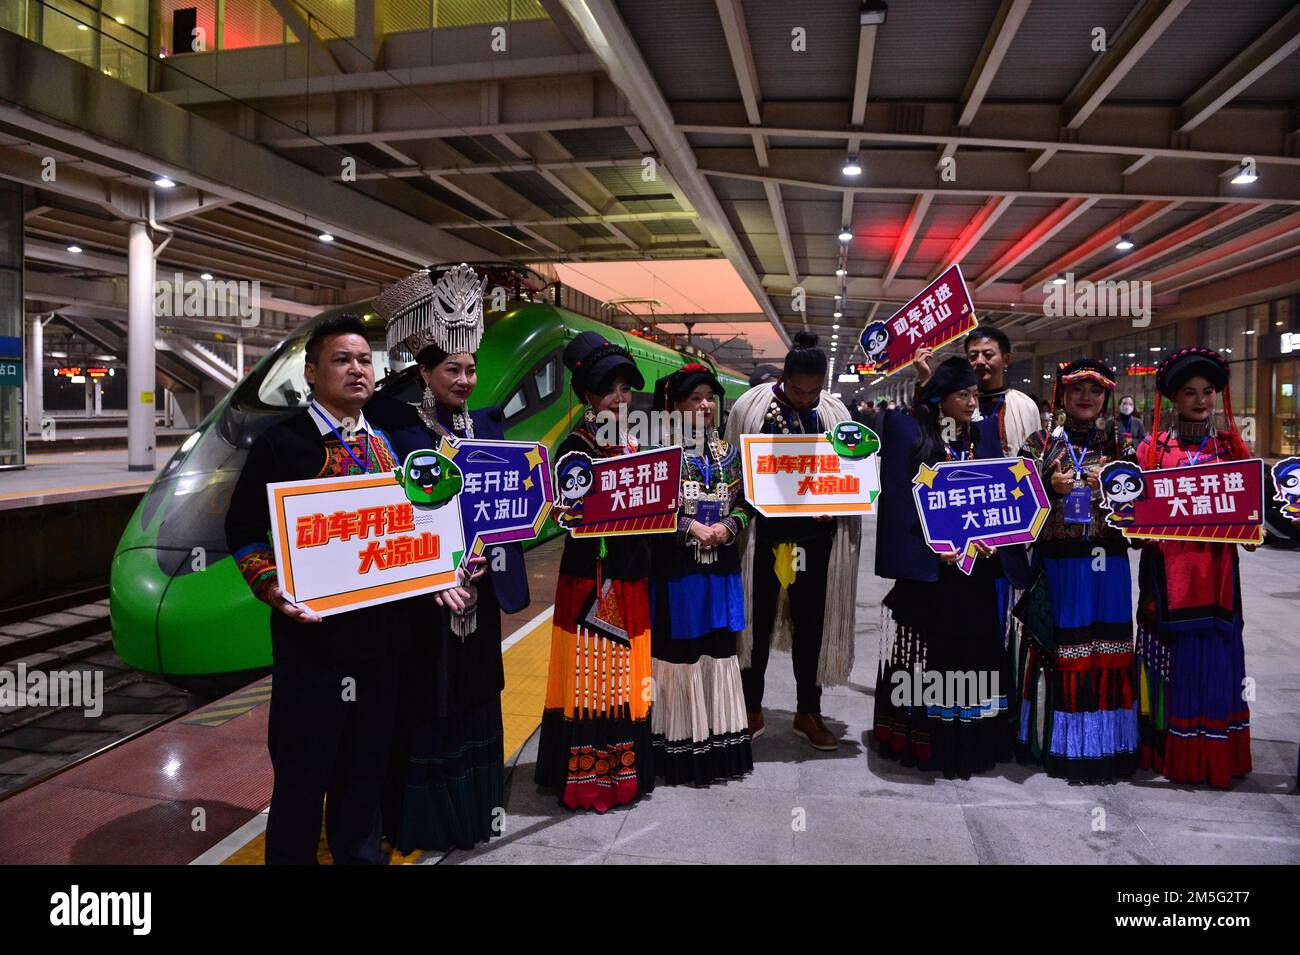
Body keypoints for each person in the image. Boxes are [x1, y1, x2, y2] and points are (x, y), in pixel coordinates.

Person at [225, 314, 454, 864]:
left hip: (382, 644)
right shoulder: (283, 445)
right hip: (315, 648)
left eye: (364, 360)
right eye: (341, 359)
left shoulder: (389, 447)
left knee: (364, 772)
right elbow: (242, 531)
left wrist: (438, 574)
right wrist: (273, 588)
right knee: (304, 776)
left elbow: (414, 527)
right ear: (311, 373)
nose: (357, 370)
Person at [366, 264, 525, 853]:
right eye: (451, 368)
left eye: (471, 367)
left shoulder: (487, 425)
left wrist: (492, 556)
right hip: (420, 601)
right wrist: (428, 575)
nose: (465, 377)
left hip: (476, 595)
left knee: (477, 693)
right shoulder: (393, 429)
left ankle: (474, 815)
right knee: (424, 699)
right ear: (425, 372)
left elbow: (508, 505)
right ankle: (423, 820)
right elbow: (390, 515)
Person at [871, 356, 1015, 778]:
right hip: (931, 579)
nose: (972, 403)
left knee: (973, 653)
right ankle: (928, 740)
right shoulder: (913, 436)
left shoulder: (983, 436)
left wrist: (996, 538)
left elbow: (998, 496)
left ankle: (971, 740)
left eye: (974, 394)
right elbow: (900, 506)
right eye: (961, 395)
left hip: (975, 575)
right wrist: (931, 549)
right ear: (940, 400)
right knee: (931, 656)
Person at [535, 331, 656, 811]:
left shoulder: (630, 442)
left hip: (629, 576)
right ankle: (592, 779)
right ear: (587, 395)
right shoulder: (575, 448)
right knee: (594, 676)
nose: (621, 399)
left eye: (627, 389)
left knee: (626, 678)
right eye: (611, 390)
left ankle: (624, 771)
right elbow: (573, 511)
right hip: (593, 579)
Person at [724, 332, 861, 750]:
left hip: (815, 542)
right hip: (763, 538)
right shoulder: (753, 408)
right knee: (756, 623)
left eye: (814, 390)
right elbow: (732, 470)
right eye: (798, 390)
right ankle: (750, 707)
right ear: (783, 378)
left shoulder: (834, 412)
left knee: (811, 626)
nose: (805, 398)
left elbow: (852, 472)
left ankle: (808, 711)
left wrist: (837, 502)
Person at [1013, 359, 1139, 781]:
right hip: (1059, 566)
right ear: (1062, 396)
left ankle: (1109, 744)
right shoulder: (1039, 444)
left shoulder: (1123, 449)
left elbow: (1142, 510)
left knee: (1108, 648)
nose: (1087, 396)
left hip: (1109, 567)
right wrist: (1048, 487)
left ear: (1106, 398)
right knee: (1062, 650)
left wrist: (1115, 492)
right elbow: (1014, 504)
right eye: (1077, 389)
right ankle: (1057, 741)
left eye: (1096, 390)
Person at [1135, 346, 1254, 788]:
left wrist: (1252, 534)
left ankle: (1214, 752)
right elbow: (1134, 520)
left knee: (1215, 658)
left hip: (1218, 579)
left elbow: (1250, 519)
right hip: (1167, 578)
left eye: (1207, 392)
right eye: (1189, 392)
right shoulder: (1152, 449)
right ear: (1174, 399)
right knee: (1171, 662)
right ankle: (1170, 751)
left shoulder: (1230, 449)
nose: (1200, 400)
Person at [647, 363, 753, 785]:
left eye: (710, 397)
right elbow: (650, 507)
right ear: (674, 405)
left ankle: (718, 745)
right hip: (677, 573)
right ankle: (677, 750)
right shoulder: (658, 449)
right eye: (695, 398)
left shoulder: (727, 452)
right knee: (679, 654)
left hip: (720, 571)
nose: (706, 405)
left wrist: (729, 527)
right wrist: (687, 526)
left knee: (718, 651)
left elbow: (746, 501)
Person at [964, 326, 1040, 456]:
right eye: (973, 356)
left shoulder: (1024, 405)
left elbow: (1037, 457)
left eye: (988, 355)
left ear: (1006, 360)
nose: (980, 361)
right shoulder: (956, 403)